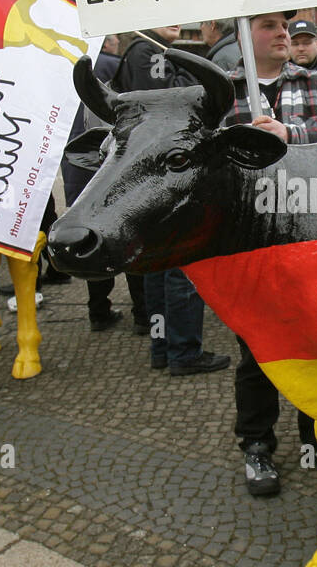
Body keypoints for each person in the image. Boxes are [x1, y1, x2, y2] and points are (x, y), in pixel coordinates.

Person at [222, 11, 317, 495]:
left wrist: (290, 136)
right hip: (251, 246)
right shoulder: (222, 93)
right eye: (269, 26)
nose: (284, 33)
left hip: (313, 238)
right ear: (243, 35)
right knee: (256, 352)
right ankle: (256, 445)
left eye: (286, 26)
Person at [115, 26, 229, 375]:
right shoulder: (149, 52)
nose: (177, 22)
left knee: (157, 269)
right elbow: (163, 110)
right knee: (180, 270)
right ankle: (183, 352)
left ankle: (161, 345)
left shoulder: (143, 50)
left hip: (149, 179)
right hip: (165, 178)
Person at [60, 36, 126, 330]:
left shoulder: (62, 69)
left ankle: (98, 311)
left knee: (89, 241)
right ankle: (144, 314)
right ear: (109, 43)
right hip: (114, 168)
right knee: (130, 233)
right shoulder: (116, 66)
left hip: (76, 169)